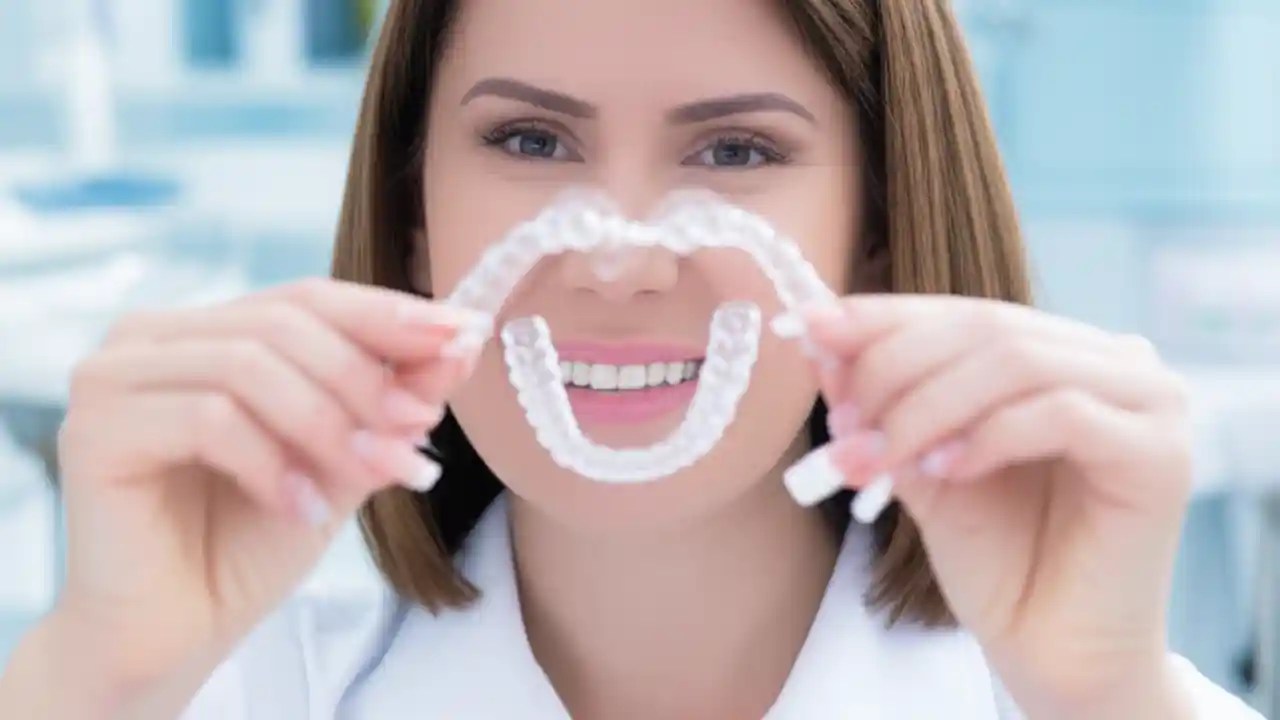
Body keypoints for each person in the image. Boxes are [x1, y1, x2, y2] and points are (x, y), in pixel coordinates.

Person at [0, 0, 1264, 717]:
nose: (618, 257)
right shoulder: (229, 697)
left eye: (733, 153)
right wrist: (91, 675)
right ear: (417, 213)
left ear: (877, 230)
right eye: (532, 141)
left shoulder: (1093, 702)